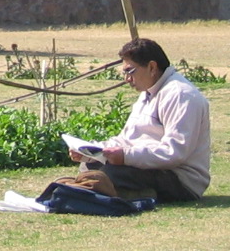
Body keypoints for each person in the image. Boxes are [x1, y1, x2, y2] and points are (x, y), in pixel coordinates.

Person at [71, 36, 211, 201]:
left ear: (152, 67)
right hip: (149, 168)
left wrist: (126, 156)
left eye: (130, 71)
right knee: (90, 165)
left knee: (111, 173)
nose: (127, 79)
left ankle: (125, 195)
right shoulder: (148, 92)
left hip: (179, 179)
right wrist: (91, 151)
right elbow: (126, 139)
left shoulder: (181, 95)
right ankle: (100, 192)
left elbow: (174, 153)